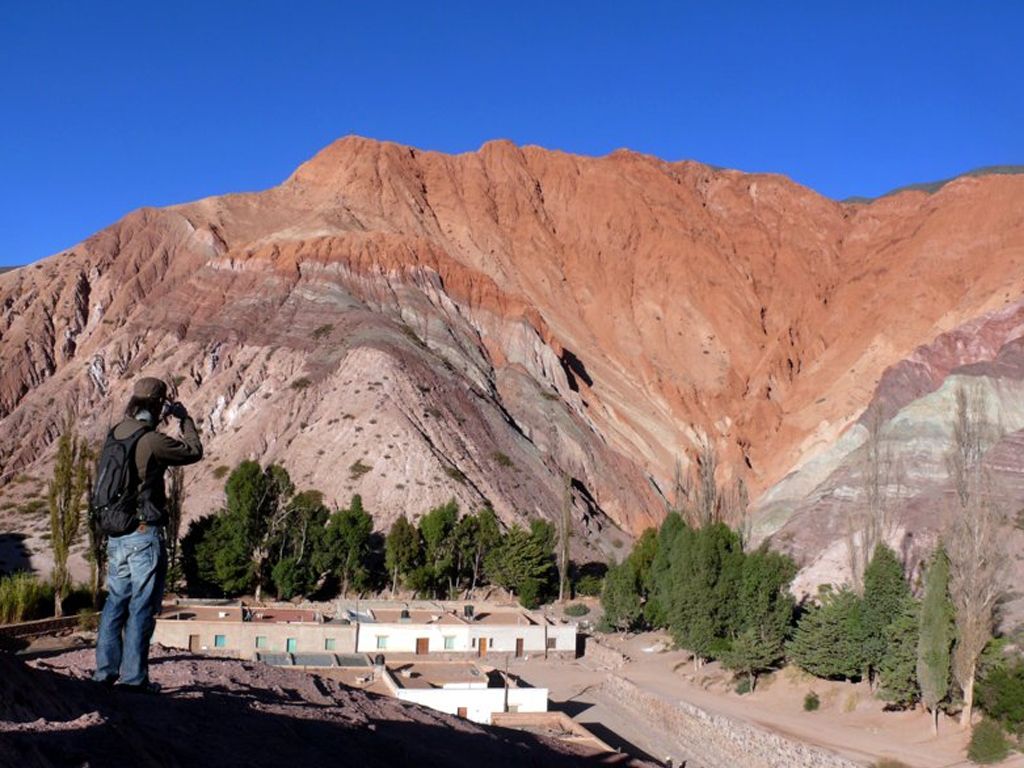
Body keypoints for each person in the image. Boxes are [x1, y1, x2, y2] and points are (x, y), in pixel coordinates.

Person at [93, 377, 203, 691]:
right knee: (141, 607)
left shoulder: (116, 433)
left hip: (116, 533)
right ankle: (133, 679)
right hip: (143, 534)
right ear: (158, 405)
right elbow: (193, 451)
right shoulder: (151, 440)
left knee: (116, 603)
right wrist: (184, 419)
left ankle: (104, 672)